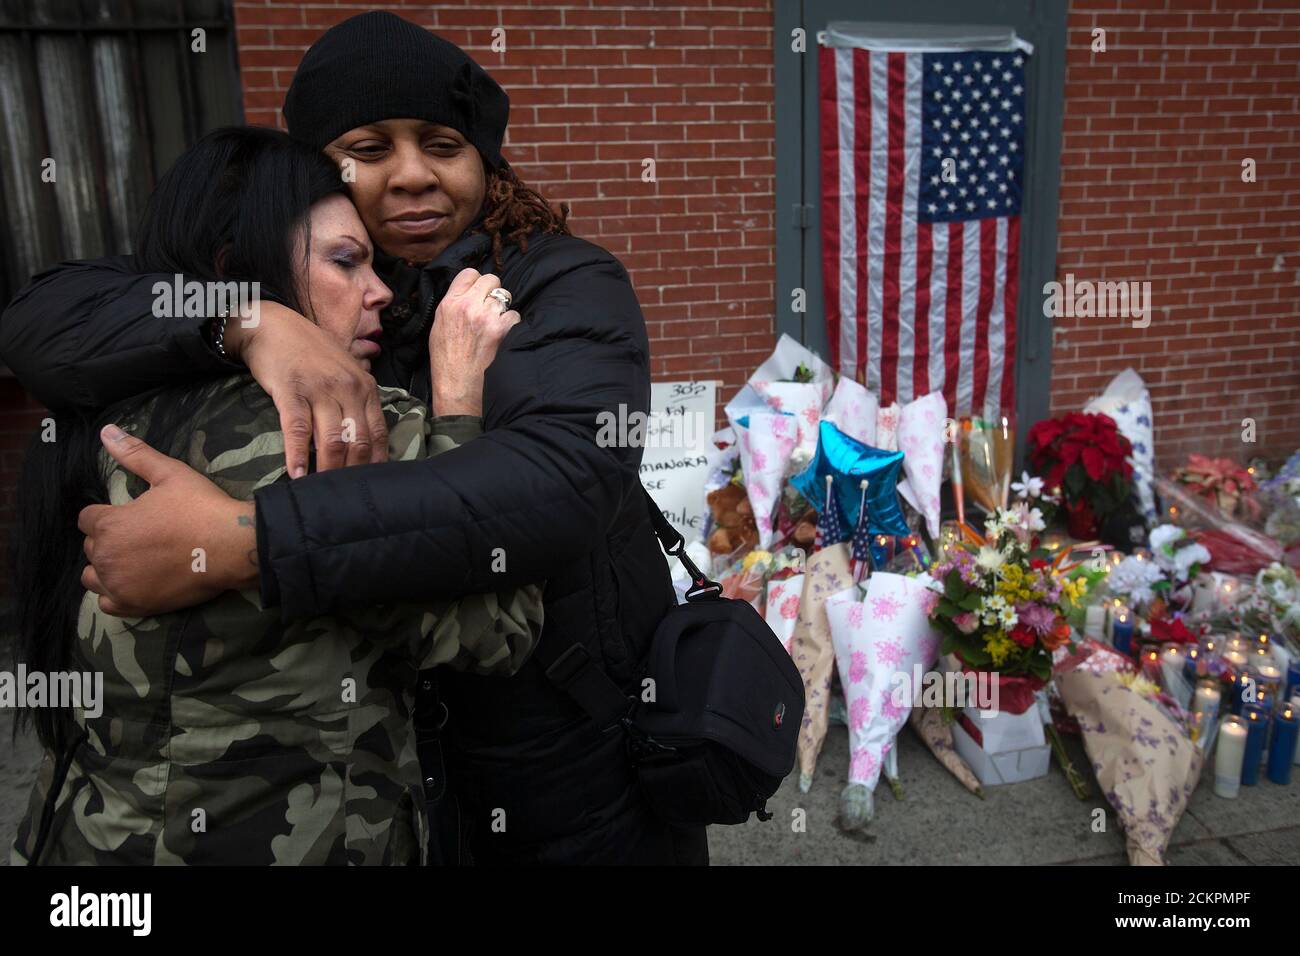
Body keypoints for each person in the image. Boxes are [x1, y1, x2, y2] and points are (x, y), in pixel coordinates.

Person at [0, 12, 709, 865]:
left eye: (444, 144)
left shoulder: (557, 284)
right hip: (394, 777)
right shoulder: (274, 309)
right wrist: (245, 320)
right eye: (368, 148)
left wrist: (250, 539)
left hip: (556, 760)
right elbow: (41, 319)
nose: (412, 176)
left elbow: (556, 483)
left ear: (486, 161)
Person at [8, 127, 541, 865]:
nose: (381, 290)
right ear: (237, 273)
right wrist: (457, 411)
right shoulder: (353, 433)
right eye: (345, 262)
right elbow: (501, 626)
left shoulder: (104, 413)